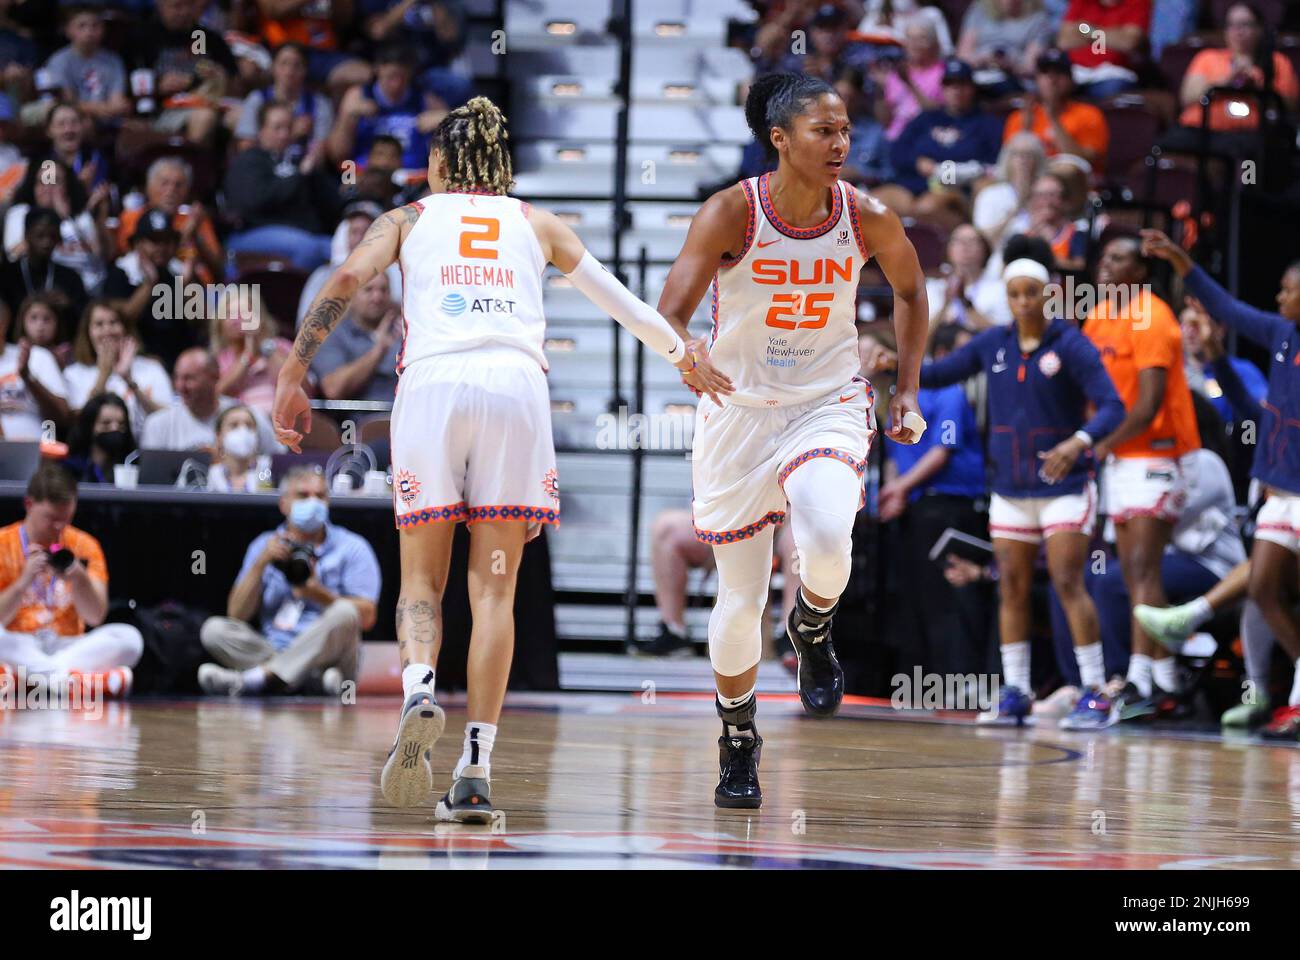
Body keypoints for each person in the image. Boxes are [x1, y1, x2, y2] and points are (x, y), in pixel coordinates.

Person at [272, 96, 718, 820]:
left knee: (423, 577)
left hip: (434, 387)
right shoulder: (535, 221)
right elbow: (624, 303)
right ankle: (476, 766)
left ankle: (420, 688)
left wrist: (293, 374)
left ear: (440, 165)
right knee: (495, 591)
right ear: (503, 166)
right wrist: (682, 353)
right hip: (514, 391)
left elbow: (344, 285)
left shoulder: (408, 218)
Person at [653, 73, 928, 808]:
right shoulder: (729, 213)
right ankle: (738, 738)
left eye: (845, 130)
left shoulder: (867, 215)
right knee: (738, 599)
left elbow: (910, 290)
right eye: (823, 131)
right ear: (780, 138)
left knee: (829, 529)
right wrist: (687, 353)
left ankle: (810, 624)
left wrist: (906, 388)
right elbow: (669, 311)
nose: (840, 143)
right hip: (737, 410)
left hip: (826, 400)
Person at [919, 258, 1124, 725]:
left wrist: (1078, 442)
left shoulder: (1071, 346)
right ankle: (1016, 690)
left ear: (1049, 295)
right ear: (1008, 297)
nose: (1024, 301)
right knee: (1010, 587)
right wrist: (896, 363)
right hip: (1010, 488)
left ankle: (1095, 691)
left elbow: (1114, 406)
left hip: (1065, 487)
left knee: (1068, 582)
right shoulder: (993, 343)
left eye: (1032, 292)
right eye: (1015, 293)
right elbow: (938, 373)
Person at [1142, 229, 1300, 741]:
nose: (1278, 298)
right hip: (1276, 492)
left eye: (1286, 290)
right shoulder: (1282, 334)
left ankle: (1198, 620)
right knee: (1260, 592)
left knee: (1265, 589)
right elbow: (1227, 311)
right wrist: (1183, 263)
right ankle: (1265, 693)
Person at [1083, 234, 1201, 721]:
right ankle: (1168, 679)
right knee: (1132, 573)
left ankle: (1139, 678)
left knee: (1143, 569)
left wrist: (1099, 443)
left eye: (1119, 259)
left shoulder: (1153, 317)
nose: (1107, 265)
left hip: (1156, 453)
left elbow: (1149, 404)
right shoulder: (1096, 317)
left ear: (1141, 272)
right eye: (1105, 257)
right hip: (1119, 458)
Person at [198, 466, 380, 696]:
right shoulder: (264, 545)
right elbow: (237, 615)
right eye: (303, 496)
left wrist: (316, 593)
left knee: (345, 611)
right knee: (213, 630)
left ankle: (256, 678)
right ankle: (307, 680)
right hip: (273, 646)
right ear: (284, 504)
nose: (313, 502)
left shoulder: (353, 547)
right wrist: (261, 563)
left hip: (329, 656)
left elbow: (367, 617)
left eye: (320, 496)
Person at [880, 323, 992, 687]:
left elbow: (922, 454)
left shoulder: (903, 395)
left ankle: (952, 680)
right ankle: (949, 680)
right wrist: (897, 491)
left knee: (947, 590)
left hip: (938, 505)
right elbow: (936, 452)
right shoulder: (950, 391)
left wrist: (896, 489)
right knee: (940, 594)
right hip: (940, 507)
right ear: (945, 357)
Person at [0, 463, 142, 697]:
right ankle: (72, 682)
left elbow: (95, 617)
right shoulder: (4, 542)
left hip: (69, 645)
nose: (59, 527)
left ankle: (35, 681)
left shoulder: (85, 545)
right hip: (20, 643)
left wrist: (78, 576)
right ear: (29, 504)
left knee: (130, 638)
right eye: (51, 518)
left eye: (65, 519)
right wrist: (23, 582)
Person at [877, 59, 1003, 228]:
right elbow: (896, 152)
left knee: (927, 208)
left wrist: (941, 171)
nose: (956, 90)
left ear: (972, 88)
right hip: (913, 184)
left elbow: (987, 165)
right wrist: (917, 162)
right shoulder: (927, 118)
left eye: (962, 84)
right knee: (870, 204)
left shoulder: (986, 123)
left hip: (956, 188)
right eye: (950, 84)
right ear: (943, 88)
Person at [224, 101, 340, 274]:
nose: (284, 134)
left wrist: (316, 171)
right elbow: (256, 201)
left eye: (288, 128)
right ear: (262, 130)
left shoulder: (299, 161)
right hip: (253, 232)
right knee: (310, 248)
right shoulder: (249, 161)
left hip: (302, 233)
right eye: (277, 128)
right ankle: (296, 298)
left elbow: (330, 203)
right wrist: (299, 176)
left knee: (341, 251)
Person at [1177, 2, 1298, 133]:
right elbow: (1187, 97)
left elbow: (1289, 105)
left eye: (1245, 25)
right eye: (1232, 25)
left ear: (1259, 29)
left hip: (1256, 135)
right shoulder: (1207, 57)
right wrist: (1227, 82)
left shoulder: (1277, 61)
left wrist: (1256, 88)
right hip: (1202, 131)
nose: (1238, 31)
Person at [129, 0, 237, 147]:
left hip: (207, 100)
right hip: (162, 110)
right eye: (176, 6)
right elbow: (128, 85)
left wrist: (220, 77)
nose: (184, 12)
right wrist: (157, 86)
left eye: (189, 5)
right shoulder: (143, 36)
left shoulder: (204, 37)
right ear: (160, 6)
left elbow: (235, 82)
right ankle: (194, 164)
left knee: (242, 116)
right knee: (204, 117)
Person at [327, 45, 448, 170]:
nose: (397, 84)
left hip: (412, 177)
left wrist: (446, 121)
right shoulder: (358, 96)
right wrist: (348, 119)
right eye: (391, 77)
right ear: (379, 69)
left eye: (402, 77)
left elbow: (452, 154)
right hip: (365, 174)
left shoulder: (427, 101)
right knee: (348, 180)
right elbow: (337, 155)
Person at [63, 300, 172, 439]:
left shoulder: (152, 368)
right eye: (99, 324)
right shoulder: (73, 373)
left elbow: (169, 420)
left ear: (125, 329)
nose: (107, 330)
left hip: (143, 452)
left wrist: (129, 380)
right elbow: (78, 424)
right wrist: (103, 376)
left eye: (114, 322)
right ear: (88, 332)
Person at [102, 209, 194, 369]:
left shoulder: (179, 271)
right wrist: (148, 285)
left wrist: (186, 288)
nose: (161, 247)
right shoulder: (121, 271)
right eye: (154, 241)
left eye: (167, 241)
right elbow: (121, 319)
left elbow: (200, 322)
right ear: (138, 243)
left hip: (178, 358)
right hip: (134, 359)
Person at [142, 348, 281, 454]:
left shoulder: (247, 418)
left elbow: (277, 458)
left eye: (189, 379)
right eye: (177, 378)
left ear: (214, 377)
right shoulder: (157, 425)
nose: (180, 386)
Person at [115, 158, 224, 284]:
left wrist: (197, 239)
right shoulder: (133, 217)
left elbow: (219, 268)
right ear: (149, 187)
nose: (171, 190)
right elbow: (132, 258)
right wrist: (185, 235)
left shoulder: (195, 218)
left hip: (204, 291)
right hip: (155, 289)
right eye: (164, 183)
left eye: (178, 185)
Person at [1002, 48, 1110, 171]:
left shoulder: (1089, 114)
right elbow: (1009, 163)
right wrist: (1025, 129)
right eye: (1045, 73)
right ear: (1036, 80)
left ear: (1071, 80)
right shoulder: (1020, 117)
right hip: (1033, 179)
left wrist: (1053, 119)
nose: (1052, 79)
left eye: (1059, 73)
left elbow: (1083, 162)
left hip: (1073, 182)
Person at [233, 41, 335, 164]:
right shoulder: (257, 99)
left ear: (305, 70)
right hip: (264, 169)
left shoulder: (320, 103)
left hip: (302, 170)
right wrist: (292, 134)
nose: (289, 71)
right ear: (273, 68)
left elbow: (320, 152)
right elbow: (246, 147)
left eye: (297, 65)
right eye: (283, 63)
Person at [0, 207, 87, 334]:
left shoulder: (69, 277)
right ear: (26, 235)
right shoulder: (7, 274)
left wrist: (69, 306)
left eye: (52, 237)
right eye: (40, 236)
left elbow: (84, 316)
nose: (46, 242)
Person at [40, 5, 131, 123]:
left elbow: (117, 100)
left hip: (109, 117)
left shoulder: (113, 60)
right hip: (75, 119)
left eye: (95, 26)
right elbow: (68, 102)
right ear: (68, 30)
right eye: (81, 26)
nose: (89, 32)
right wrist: (102, 109)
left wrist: (116, 107)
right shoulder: (59, 61)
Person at [211, 289, 293, 416]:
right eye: (229, 314)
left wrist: (264, 345)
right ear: (220, 323)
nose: (236, 320)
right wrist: (248, 354)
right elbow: (219, 393)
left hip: (284, 421)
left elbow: (297, 384)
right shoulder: (218, 359)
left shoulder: (281, 347)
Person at [956, 0, 1055, 97]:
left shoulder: (1038, 19)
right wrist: (985, 57)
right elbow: (962, 56)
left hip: (1015, 79)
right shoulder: (980, 10)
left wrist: (1008, 63)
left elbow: (1031, 66)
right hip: (978, 74)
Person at [1057, 0, 1150, 100]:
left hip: (1114, 75)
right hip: (1076, 73)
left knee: (1113, 90)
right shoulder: (1082, 2)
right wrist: (1113, 35)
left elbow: (1129, 42)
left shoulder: (1137, 2)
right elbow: (1064, 41)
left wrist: (1087, 31)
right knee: (1051, 87)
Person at [871, 19, 946, 142]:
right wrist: (880, 88)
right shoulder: (897, 73)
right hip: (894, 138)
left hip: (925, 138)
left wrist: (909, 83)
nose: (914, 44)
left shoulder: (942, 73)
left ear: (933, 44)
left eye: (921, 39)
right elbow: (884, 120)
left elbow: (937, 114)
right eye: (910, 39)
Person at [972, 132, 1048, 254]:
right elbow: (982, 241)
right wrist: (1015, 210)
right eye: (1017, 154)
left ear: (1038, 160)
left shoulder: (1048, 194)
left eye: (1029, 155)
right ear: (1007, 159)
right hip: (999, 258)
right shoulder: (990, 195)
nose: (1023, 160)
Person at [925, 223, 1009, 329]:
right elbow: (923, 337)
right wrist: (945, 304)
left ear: (985, 249)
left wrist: (965, 303)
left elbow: (1003, 335)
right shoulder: (934, 288)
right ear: (948, 249)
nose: (965, 246)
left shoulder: (1000, 289)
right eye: (958, 241)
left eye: (972, 241)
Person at [194, 404, 270, 493]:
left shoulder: (269, 469)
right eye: (234, 425)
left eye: (249, 426)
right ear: (219, 436)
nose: (243, 431)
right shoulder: (207, 475)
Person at [64, 392, 136, 485]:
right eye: (106, 423)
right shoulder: (71, 467)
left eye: (121, 424)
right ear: (90, 426)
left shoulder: (131, 466)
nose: (114, 428)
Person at [13, 294, 73, 369]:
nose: (40, 326)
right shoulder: (14, 352)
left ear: (57, 323)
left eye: (47, 319)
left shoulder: (67, 355)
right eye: (33, 318)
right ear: (22, 321)